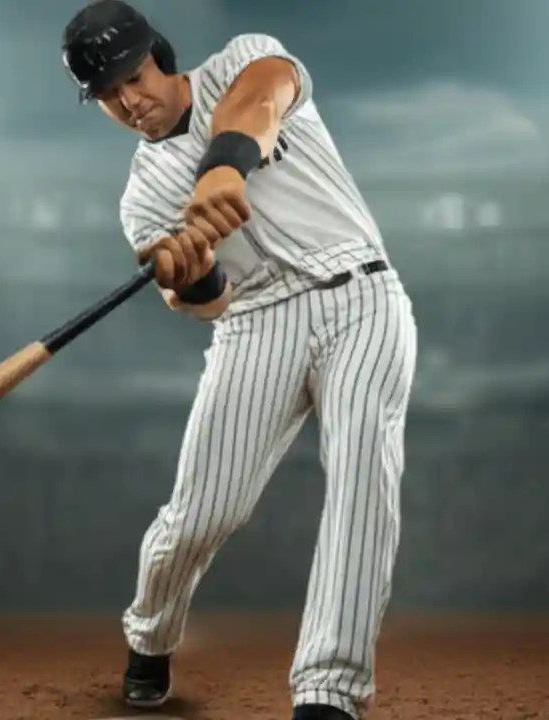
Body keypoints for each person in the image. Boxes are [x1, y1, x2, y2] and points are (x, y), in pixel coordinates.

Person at [60, 2, 418, 718]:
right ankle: (150, 632)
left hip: (363, 293)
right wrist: (190, 274)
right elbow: (206, 305)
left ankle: (328, 691)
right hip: (256, 324)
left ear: (160, 55)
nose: (130, 101)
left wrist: (223, 169)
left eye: (134, 76)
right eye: (107, 95)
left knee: (361, 475)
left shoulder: (238, 61)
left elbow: (264, 97)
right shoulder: (141, 200)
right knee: (200, 515)